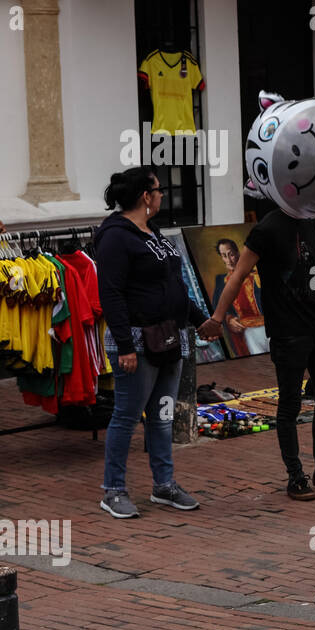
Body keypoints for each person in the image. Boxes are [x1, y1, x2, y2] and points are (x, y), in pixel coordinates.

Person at [92, 168, 222, 519]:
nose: (162, 194)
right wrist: (125, 347)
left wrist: (199, 320)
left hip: (171, 338)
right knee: (126, 415)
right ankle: (113, 489)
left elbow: (173, 286)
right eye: (157, 190)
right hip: (136, 340)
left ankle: (164, 484)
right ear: (144, 197)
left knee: (162, 416)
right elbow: (112, 295)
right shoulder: (115, 237)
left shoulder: (154, 233)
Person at [210, 204, 315, 501]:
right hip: (288, 331)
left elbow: (314, 285)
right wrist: (218, 318)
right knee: (290, 403)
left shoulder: (310, 221)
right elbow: (238, 275)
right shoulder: (267, 228)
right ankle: (295, 475)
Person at [211, 238, 267, 356]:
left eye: (231, 254)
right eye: (224, 256)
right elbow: (217, 308)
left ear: (237, 253)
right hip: (248, 332)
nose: (229, 260)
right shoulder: (222, 281)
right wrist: (229, 319)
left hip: (271, 327)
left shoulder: (257, 274)